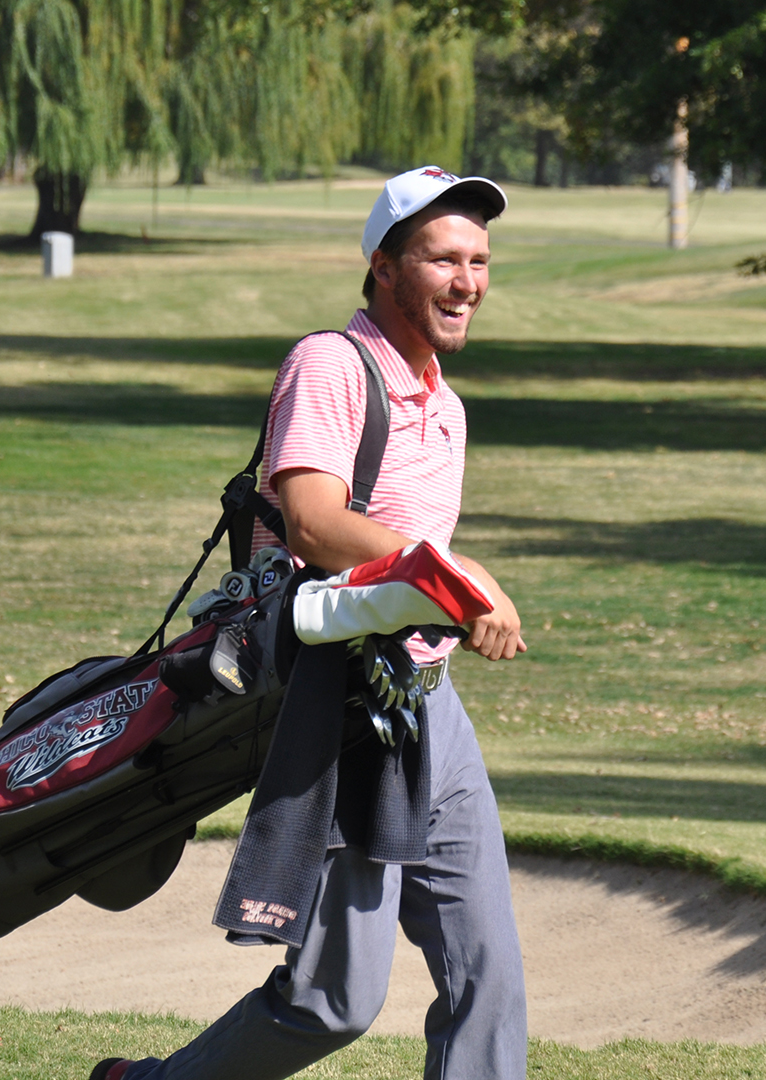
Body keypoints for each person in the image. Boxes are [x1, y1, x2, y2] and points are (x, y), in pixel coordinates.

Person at [91, 166, 528, 1080]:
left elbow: (397, 548)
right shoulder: (331, 363)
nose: (468, 280)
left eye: (480, 260)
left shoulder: (445, 405)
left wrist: (444, 584)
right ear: (382, 265)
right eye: (443, 258)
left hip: (429, 707)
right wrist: (460, 576)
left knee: (488, 977)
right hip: (340, 711)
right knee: (335, 1000)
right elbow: (316, 523)